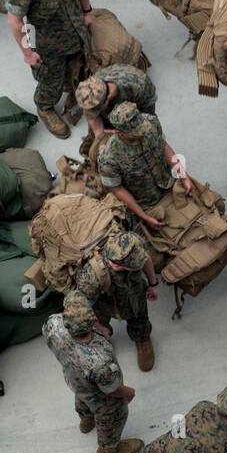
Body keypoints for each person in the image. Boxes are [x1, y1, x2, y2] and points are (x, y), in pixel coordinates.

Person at [6, 0, 93, 138]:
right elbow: (15, 21)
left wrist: (87, 11)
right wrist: (27, 52)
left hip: (75, 28)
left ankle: (68, 82)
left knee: (78, 62)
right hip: (47, 41)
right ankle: (45, 107)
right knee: (50, 79)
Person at [42, 293, 141, 453]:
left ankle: (86, 420)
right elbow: (112, 389)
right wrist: (129, 392)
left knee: (82, 397)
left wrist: (98, 327)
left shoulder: (53, 325)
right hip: (101, 394)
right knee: (114, 412)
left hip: (74, 379)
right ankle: (109, 448)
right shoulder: (99, 361)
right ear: (91, 319)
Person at [73, 230, 158, 372]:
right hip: (104, 303)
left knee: (139, 315)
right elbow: (83, 307)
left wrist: (153, 283)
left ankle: (142, 337)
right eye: (134, 267)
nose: (139, 266)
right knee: (100, 329)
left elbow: (145, 258)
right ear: (115, 265)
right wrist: (100, 327)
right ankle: (101, 341)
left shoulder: (131, 241)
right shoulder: (91, 276)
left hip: (135, 293)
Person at [96, 103, 184, 232]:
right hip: (146, 204)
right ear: (119, 132)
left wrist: (183, 175)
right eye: (134, 134)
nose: (141, 134)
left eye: (141, 128)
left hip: (169, 182)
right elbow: (117, 190)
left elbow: (164, 146)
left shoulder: (150, 123)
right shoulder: (109, 158)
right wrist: (144, 217)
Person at [74, 63, 157, 146]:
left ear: (107, 100)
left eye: (97, 109)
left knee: (144, 134)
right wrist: (100, 139)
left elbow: (147, 111)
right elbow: (92, 117)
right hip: (114, 81)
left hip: (143, 98)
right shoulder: (94, 86)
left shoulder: (138, 87)